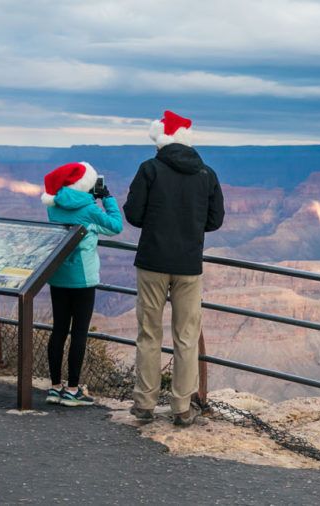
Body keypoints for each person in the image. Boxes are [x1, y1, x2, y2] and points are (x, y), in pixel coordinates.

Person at [124, 110, 225, 426]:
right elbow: (215, 220)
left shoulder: (149, 169)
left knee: (149, 332)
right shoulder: (206, 174)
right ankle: (182, 406)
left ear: (161, 141)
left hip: (153, 262)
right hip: (188, 266)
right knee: (186, 336)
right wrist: (189, 227)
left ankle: (145, 403)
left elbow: (134, 215)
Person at [41, 161, 123, 406]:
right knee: (78, 333)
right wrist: (106, 197)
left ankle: (55, 388)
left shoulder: (53, 207)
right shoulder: (90, 209)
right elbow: (116, 226)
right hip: (83, 279)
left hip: (57, 276)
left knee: (58, 331)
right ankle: (73, 390)